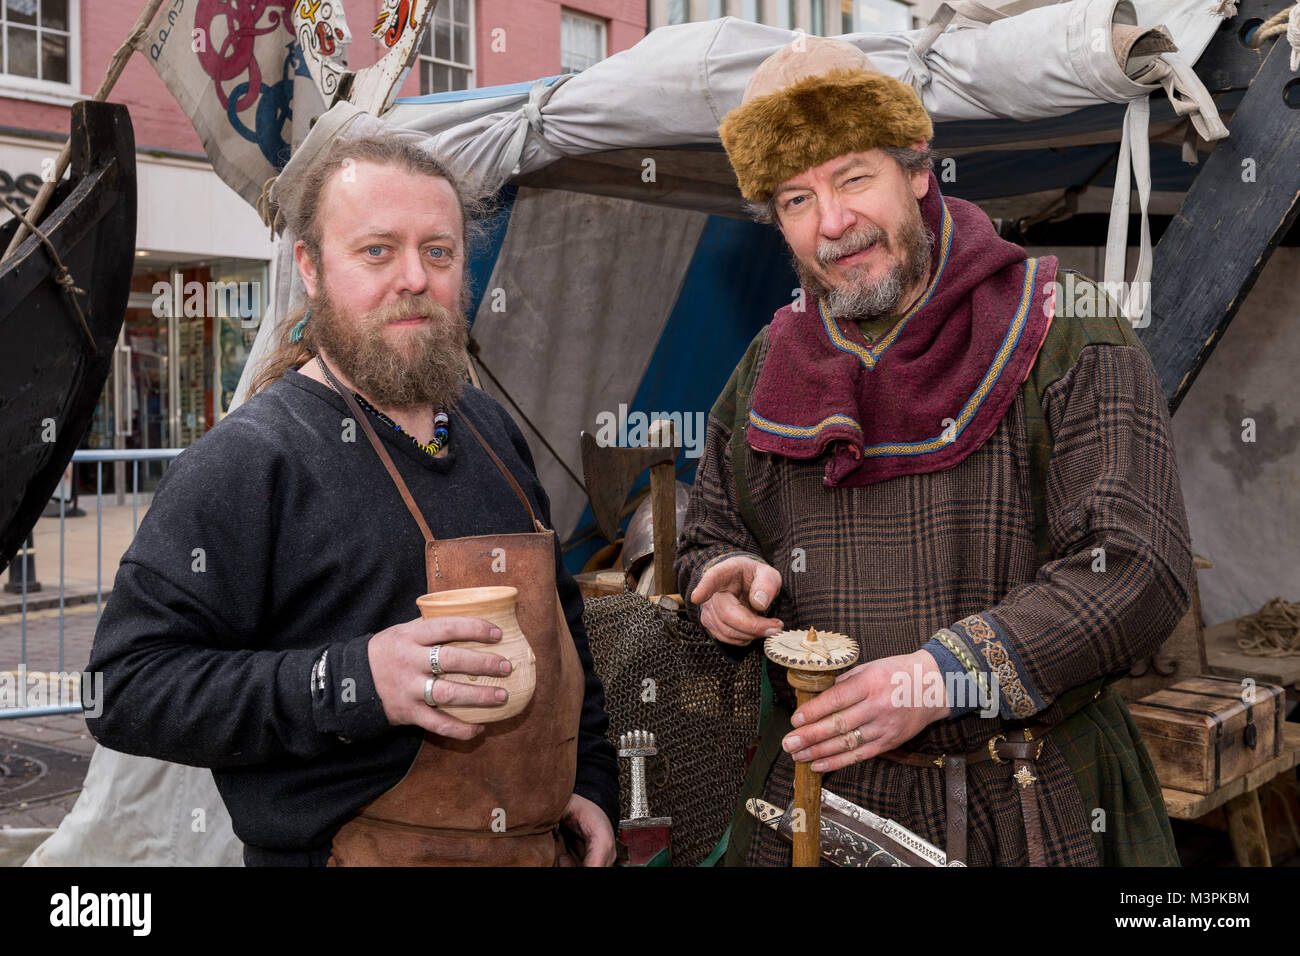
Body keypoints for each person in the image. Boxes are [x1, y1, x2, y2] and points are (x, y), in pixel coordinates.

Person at [676, 37, 1194, 866]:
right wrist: (722, 576)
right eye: (797, 199)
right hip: (814, 801)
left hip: (1023, 802)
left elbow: (1136, 566)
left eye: (853, 179)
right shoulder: (767, 366)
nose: (833, 225)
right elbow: (708, 530)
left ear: (918, 172)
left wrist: (937, 676)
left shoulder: (1066, 327)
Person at [85, 132, 619, 867]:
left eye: (439, 251)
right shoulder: (248, 460)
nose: (413, 278)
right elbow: (123, 689)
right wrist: (356, 681)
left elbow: (566, 631)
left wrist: (588, 781)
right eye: (377, 251)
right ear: (310, 266)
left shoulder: (492, 429)